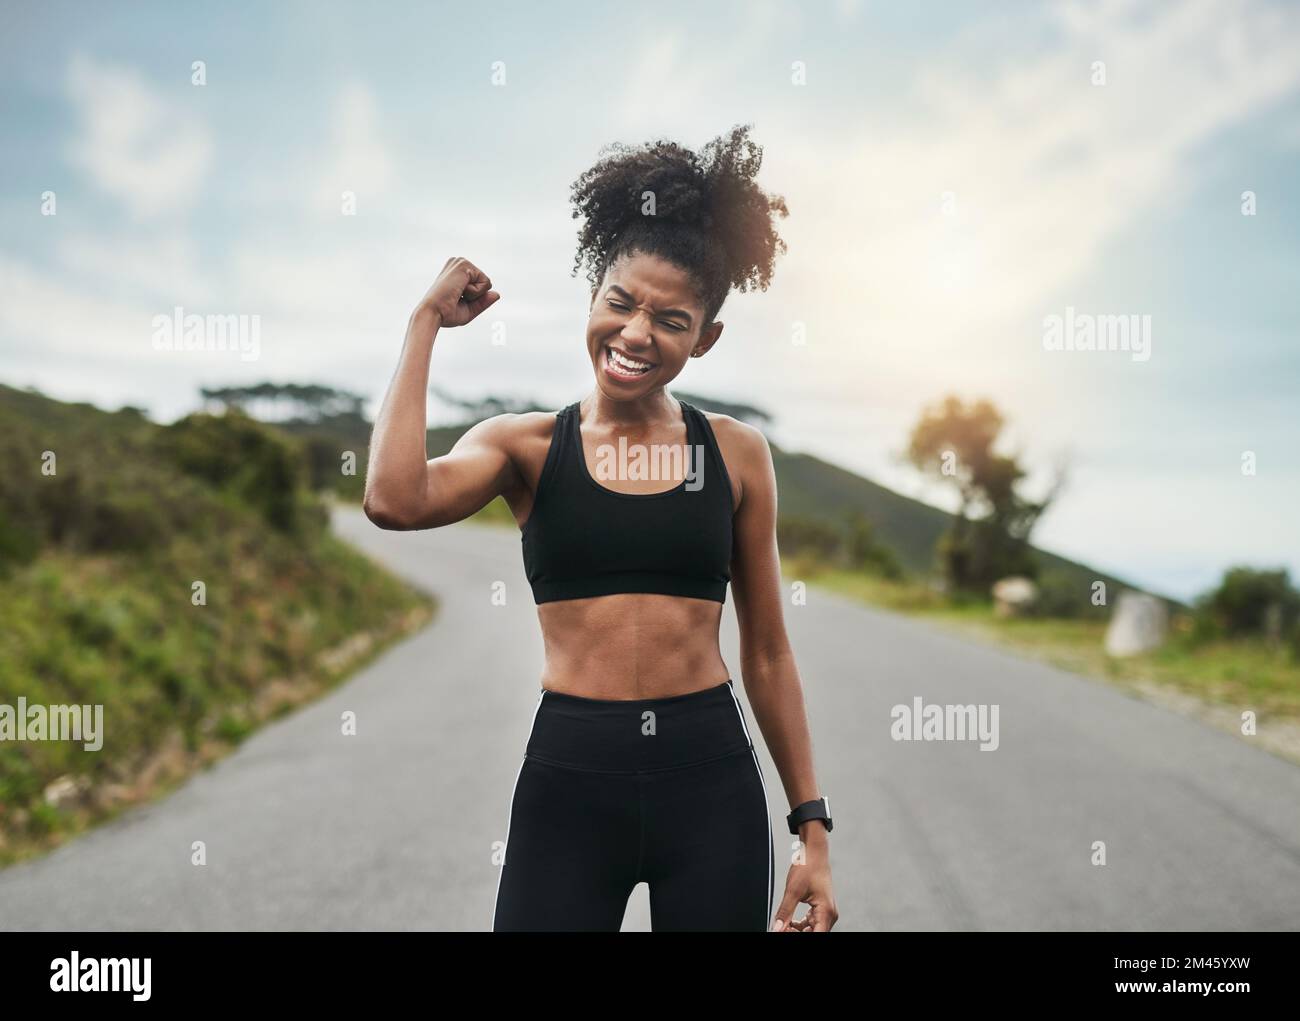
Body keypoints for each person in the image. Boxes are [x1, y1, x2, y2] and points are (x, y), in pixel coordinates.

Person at [364, 124, 837, 932]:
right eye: (619, 302)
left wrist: (812, 832)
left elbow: (766, 650)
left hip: (712, 785)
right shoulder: (524, 446)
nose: (635, 334)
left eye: (671, 319)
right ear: (593, 297)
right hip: (570, 782)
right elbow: (393, 499)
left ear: (706, 337)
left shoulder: (736, 456)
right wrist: (423, 325)